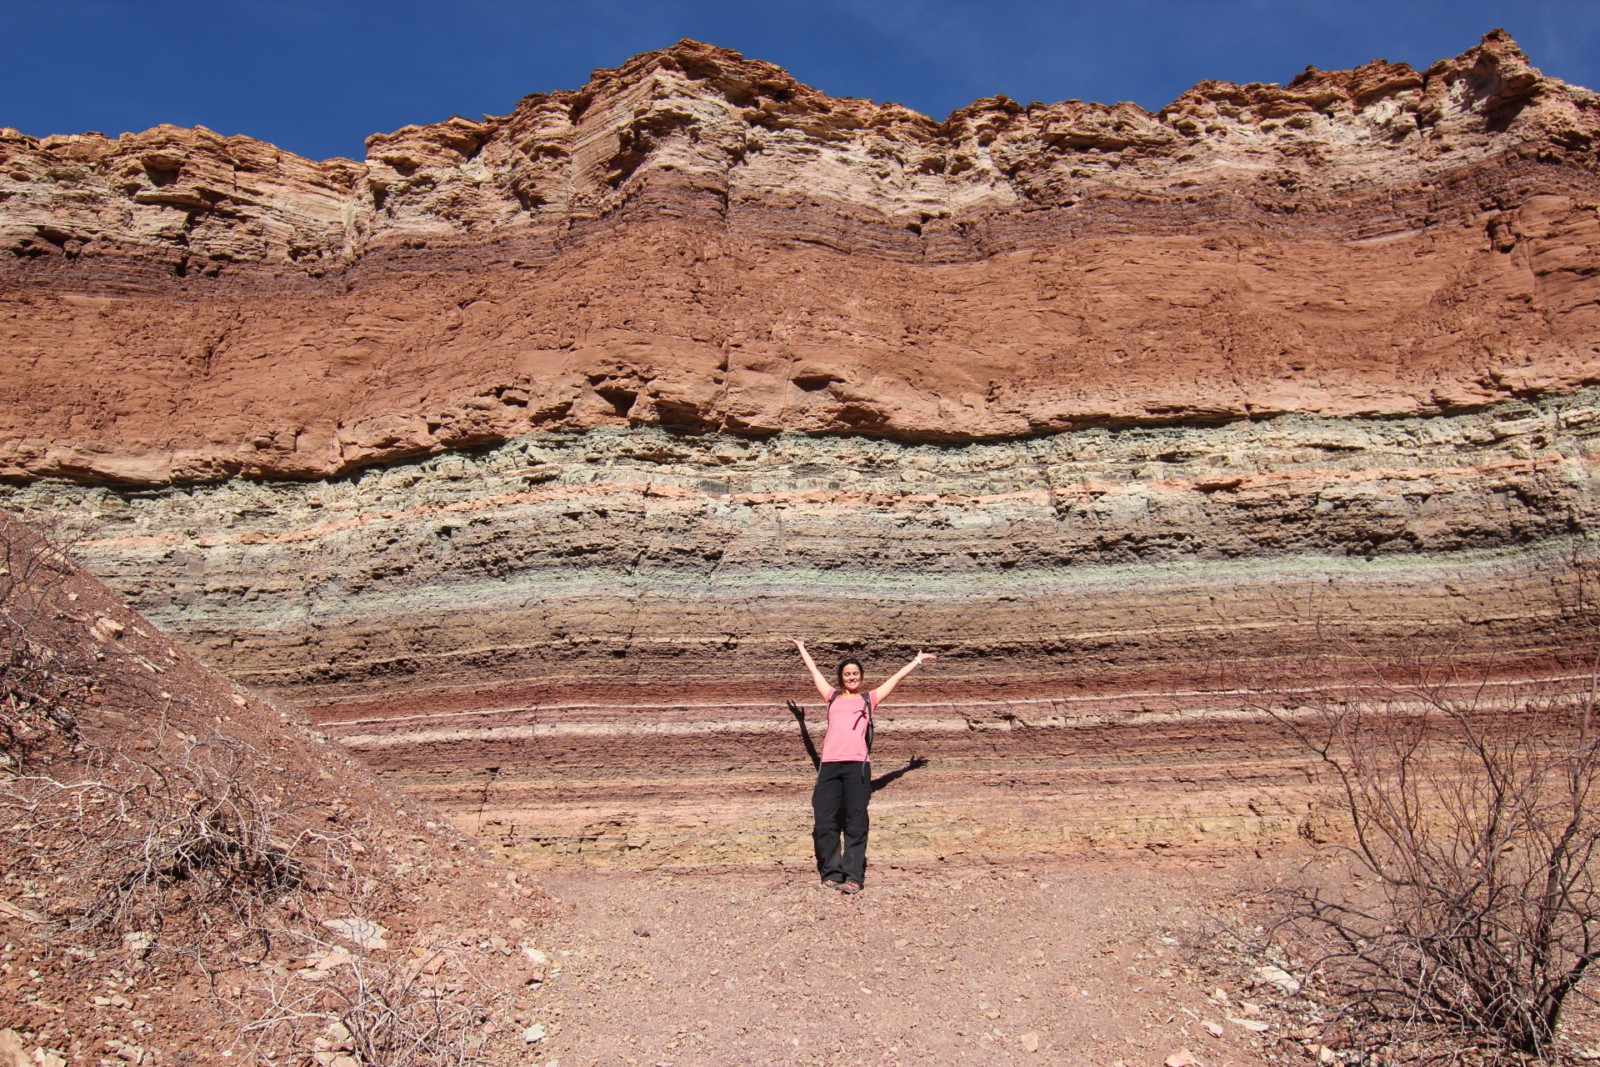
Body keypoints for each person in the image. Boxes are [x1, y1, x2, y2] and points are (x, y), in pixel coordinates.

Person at [789, 638, 935, 894]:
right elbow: (814, 672)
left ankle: (853, 876)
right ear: (841, 677)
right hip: (830, 766)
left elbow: (895, 680)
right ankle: (832, 872)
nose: (852, 677)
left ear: (861, 677)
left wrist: (916, 661)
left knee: (856, 821)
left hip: (858, 767)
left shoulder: (869, 699)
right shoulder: (831, 697)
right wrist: (802, 647)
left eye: (855, 673)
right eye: (847, 674)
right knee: (825, 818)